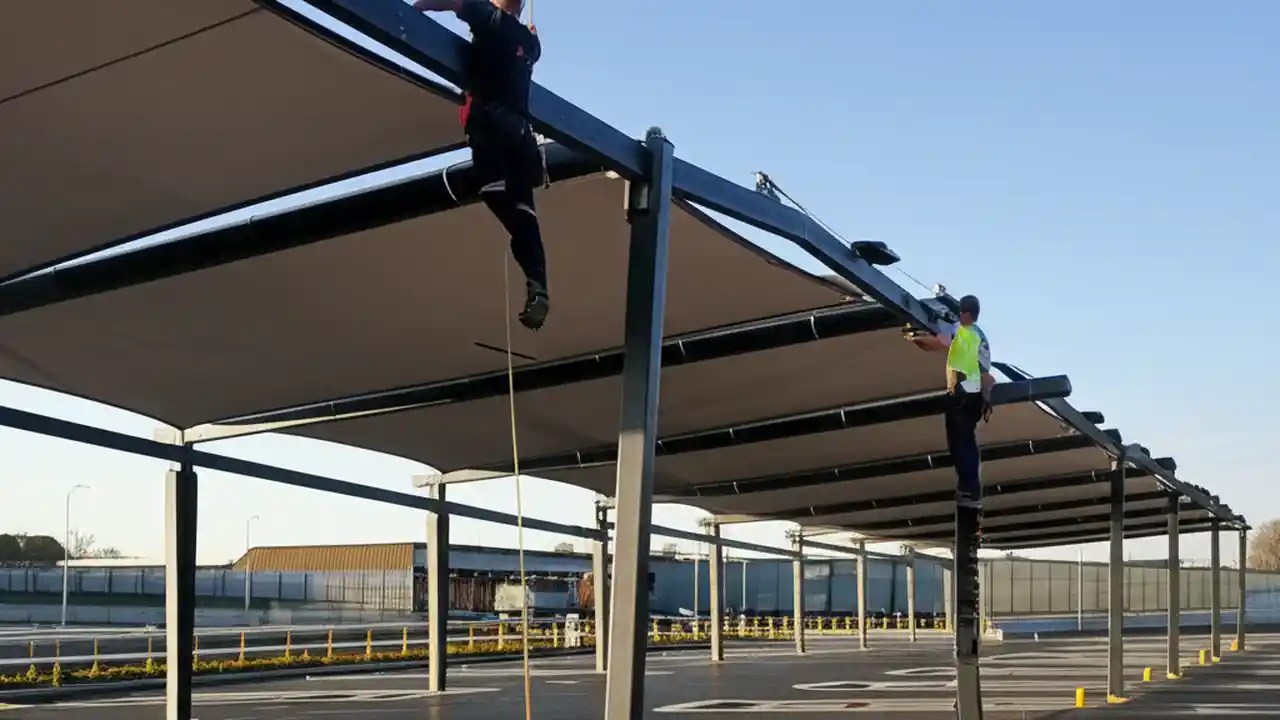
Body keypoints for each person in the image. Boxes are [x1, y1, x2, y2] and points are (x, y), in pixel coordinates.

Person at [414, 0, 550, 330]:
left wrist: (412, 10)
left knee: (493, 190)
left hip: (490, 123)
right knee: (524, 211)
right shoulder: (530, 43)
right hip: (520, 134)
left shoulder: (491, 19)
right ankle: (537, 284)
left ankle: (534, 275)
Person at [910, 295, 994, 508]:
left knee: (959, 441)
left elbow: (941, 343)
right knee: (967, 438)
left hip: (963, 389)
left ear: (962, 312)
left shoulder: (962, 329)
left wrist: (913, 338)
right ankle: (971, 488)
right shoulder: (980, 335)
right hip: (976, 392)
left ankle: (968, 489)